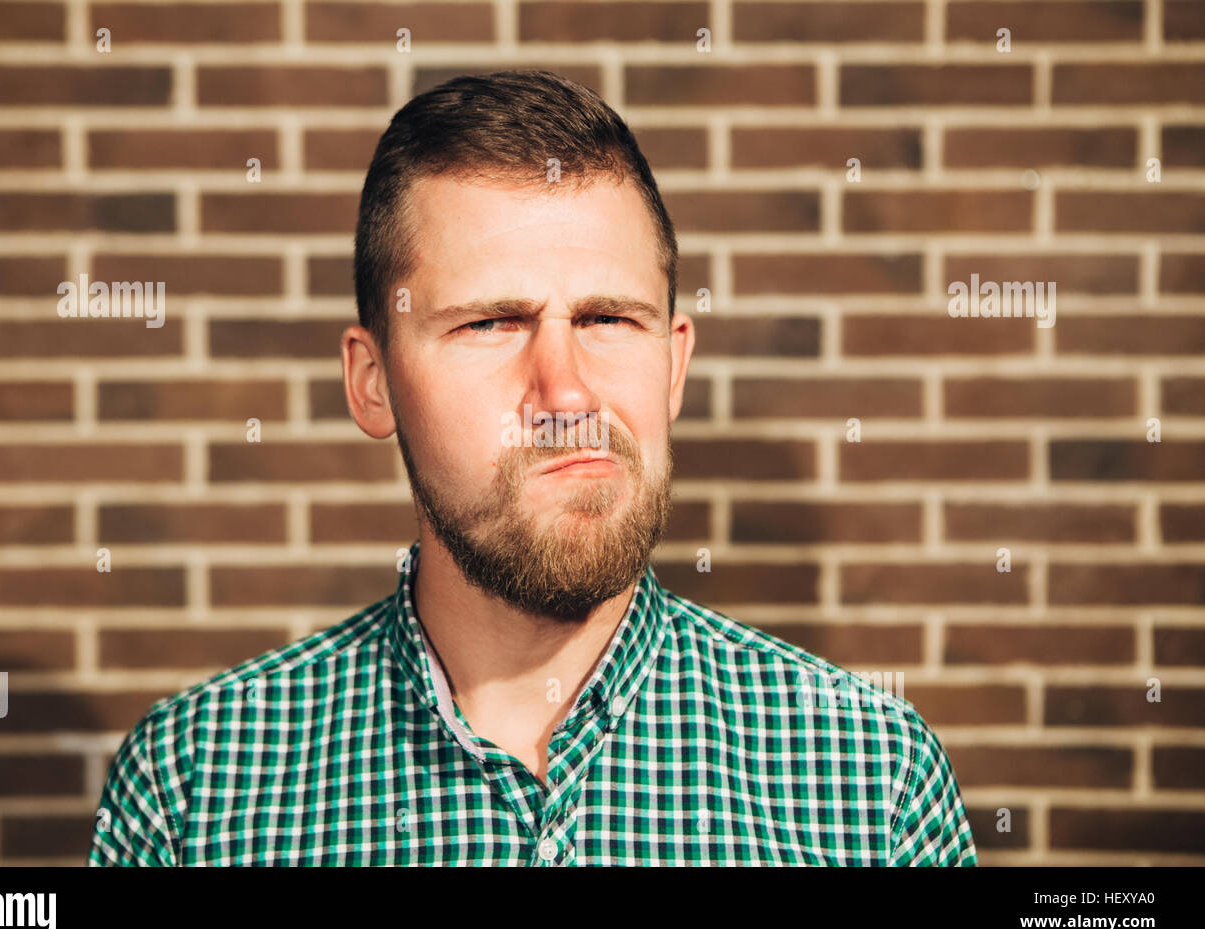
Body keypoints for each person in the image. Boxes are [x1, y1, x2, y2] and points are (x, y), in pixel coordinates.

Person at [89, 70, 976, 866]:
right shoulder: (196, 793)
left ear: (673, 364)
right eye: (491, 323)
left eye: (607, 320)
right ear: (374, 384)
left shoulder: (870, 786)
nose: (566, 394)